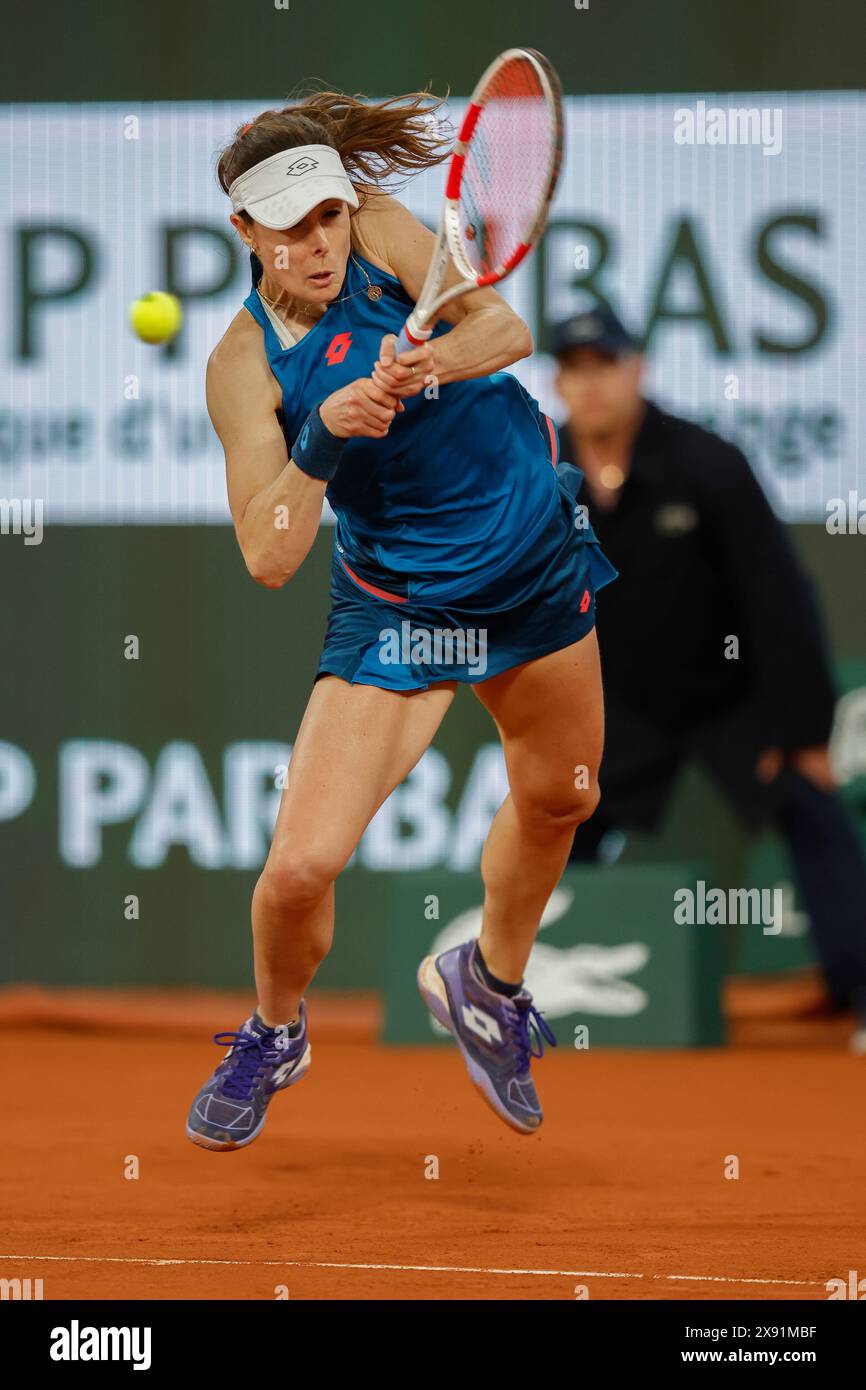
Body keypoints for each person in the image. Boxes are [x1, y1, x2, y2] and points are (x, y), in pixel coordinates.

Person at [185, 91, 617, 1151]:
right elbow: (269, 554)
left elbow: (503, 326)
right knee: (296, 870)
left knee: (561, 796)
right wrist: (323, 439)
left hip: (528, 553)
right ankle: (275, 1033)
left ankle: (487, 982)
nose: (317, 242)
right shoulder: (242, 371)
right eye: (289, 228)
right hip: (400, 606)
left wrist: (429, 361)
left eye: (326, 214)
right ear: (245, 234)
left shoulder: (382, 234)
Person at [552, 306, 866, 1047]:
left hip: (730, 702)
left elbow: (776, 595)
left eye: (607, 365)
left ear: (639, 370)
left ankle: (859, 988)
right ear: (561, 383)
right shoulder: (540, 467)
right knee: (553, 822)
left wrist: (801, 729)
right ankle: (511, 990)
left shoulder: (708, 462)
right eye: (576, 369)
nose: (592, 384)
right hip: (614, 707)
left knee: (811, 807)